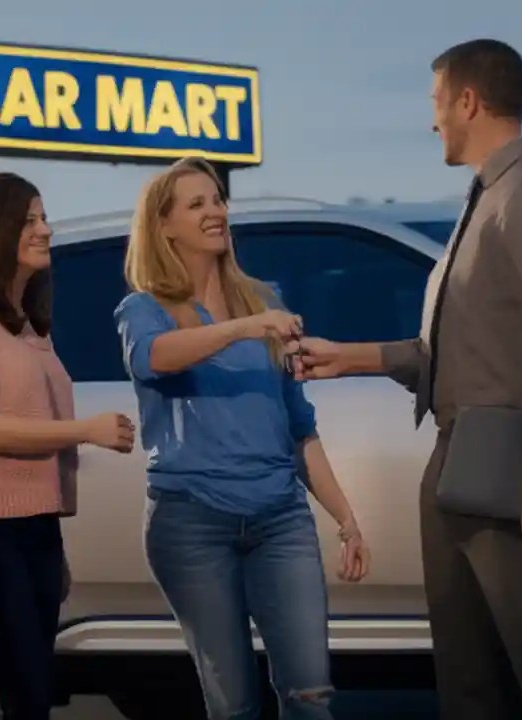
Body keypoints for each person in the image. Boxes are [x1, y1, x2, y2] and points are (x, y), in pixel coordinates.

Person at [296, 40, 522, 720]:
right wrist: (348, 358)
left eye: (437, 102)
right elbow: (457, 348)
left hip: (510, 474)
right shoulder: (488, 198)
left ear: (468, 102)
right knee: (470, 682)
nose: (432, 119)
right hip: (460, 463)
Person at [113, 156, 372, 720]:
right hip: (192, 521)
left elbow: (299, 426)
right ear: (165, 226)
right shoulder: (144, 309)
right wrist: (243, 328)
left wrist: (346, 519)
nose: (215, 211)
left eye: (217, 200)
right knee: (233, 706)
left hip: (280, 516)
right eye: (197, 204)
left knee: (310, 695)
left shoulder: (264, 302)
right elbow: (154, 359)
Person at [0, 171, 136, 719]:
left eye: (44, 218)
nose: (45, 230)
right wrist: (85, 430)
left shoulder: (27, 324)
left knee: (33, 690)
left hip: (35, 527)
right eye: (28, 221)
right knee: (21, 693)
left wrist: (53, 540)